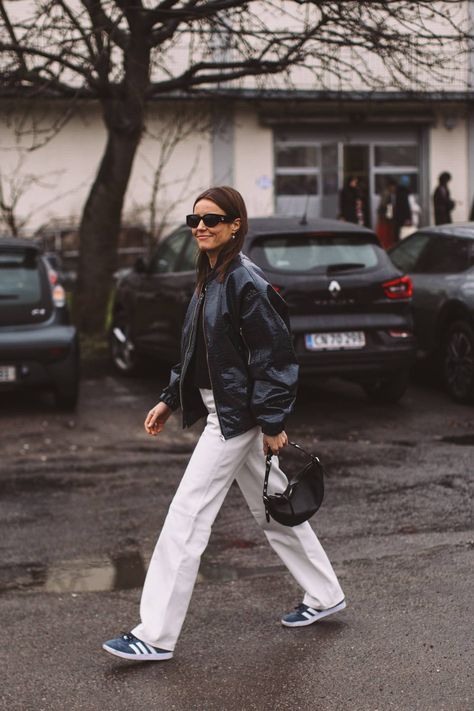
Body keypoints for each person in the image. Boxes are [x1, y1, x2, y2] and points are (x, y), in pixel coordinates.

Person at [103, 186, 346, 662]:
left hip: (237, 417)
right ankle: (324, 594)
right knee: (275, 507)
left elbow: (274, 356)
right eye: (195, 218)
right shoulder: (211, 276)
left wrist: (273, 420)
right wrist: (171, 398)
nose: (201, 227)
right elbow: (198, 351)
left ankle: (154, 635)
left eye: (212, 219)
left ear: (236, 224)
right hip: (229, 409)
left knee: (187, 517)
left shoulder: (245, 282)